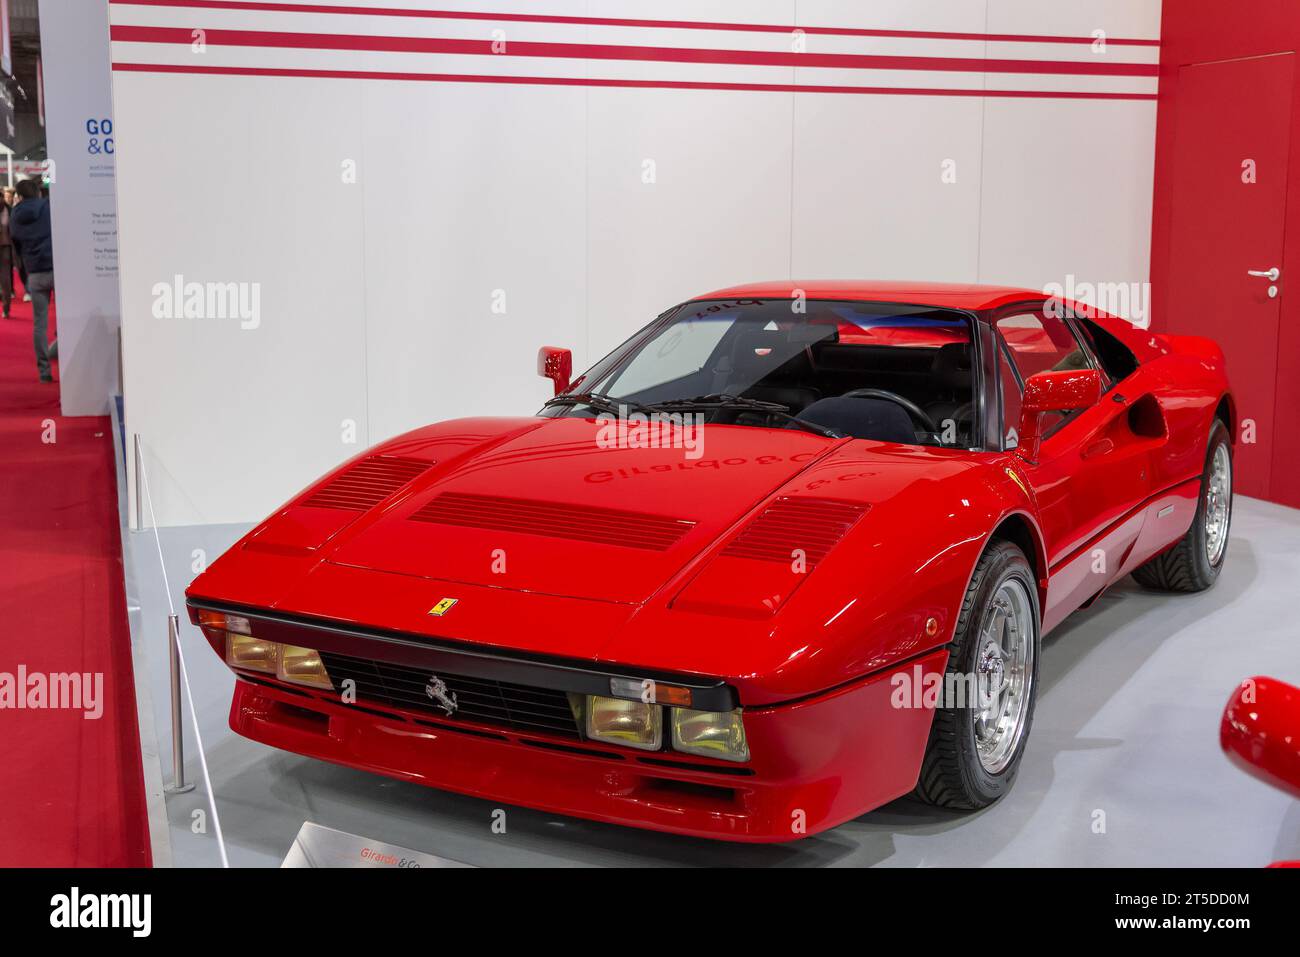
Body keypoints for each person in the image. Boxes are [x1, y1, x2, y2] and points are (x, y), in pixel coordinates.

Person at [10, 178, 55, 382]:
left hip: (35, 272)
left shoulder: (16, 215)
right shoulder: (47, 208)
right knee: (68, 318)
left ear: (19, 195)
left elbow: (16, 243)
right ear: (37, 192)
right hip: (56, 268)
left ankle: (44, 371)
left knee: (39, 324)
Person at [0, 188, 13, 318]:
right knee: (5, 280)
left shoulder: (9, 210)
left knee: (5, 280)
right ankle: (6, 308)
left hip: (5, 248)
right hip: (6, 247)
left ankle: (6, 308)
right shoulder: (9, 210)